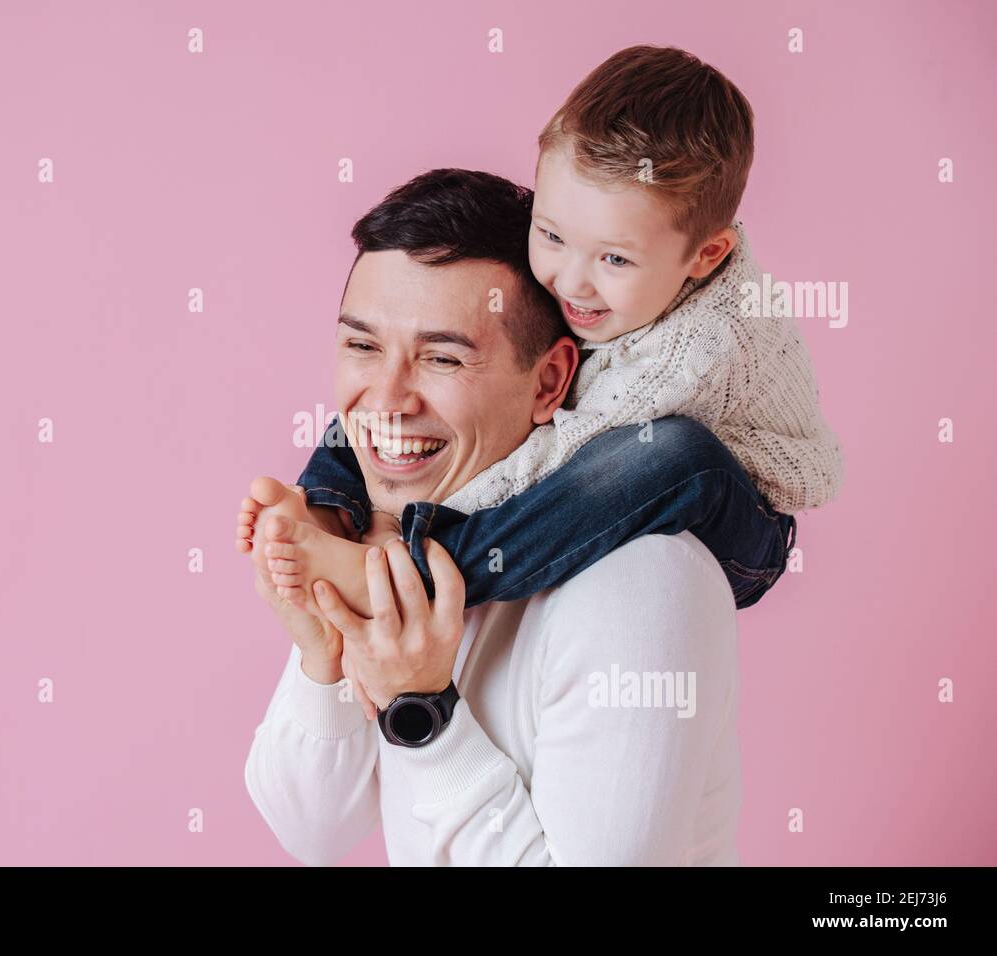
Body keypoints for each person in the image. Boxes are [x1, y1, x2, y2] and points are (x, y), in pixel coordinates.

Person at [236, 46, 841, 622]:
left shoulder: (699, 351)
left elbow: (557, 464)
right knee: (386, 398)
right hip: (605, 433)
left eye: (614, 261)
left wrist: (399, 528)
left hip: (736, 516)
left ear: (705, 255)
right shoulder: (603, 283)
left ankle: (411, 578)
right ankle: (326, 508)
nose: (569, 282)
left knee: (673, 453)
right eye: (551, 235)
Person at [242, 166, 741, 865]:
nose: (385, 399)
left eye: (442, 358)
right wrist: (320, 649)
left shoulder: (640, 582)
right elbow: (313, 831)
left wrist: (424, 714)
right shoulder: (390, 544)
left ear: (549, 381)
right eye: (361, 346)